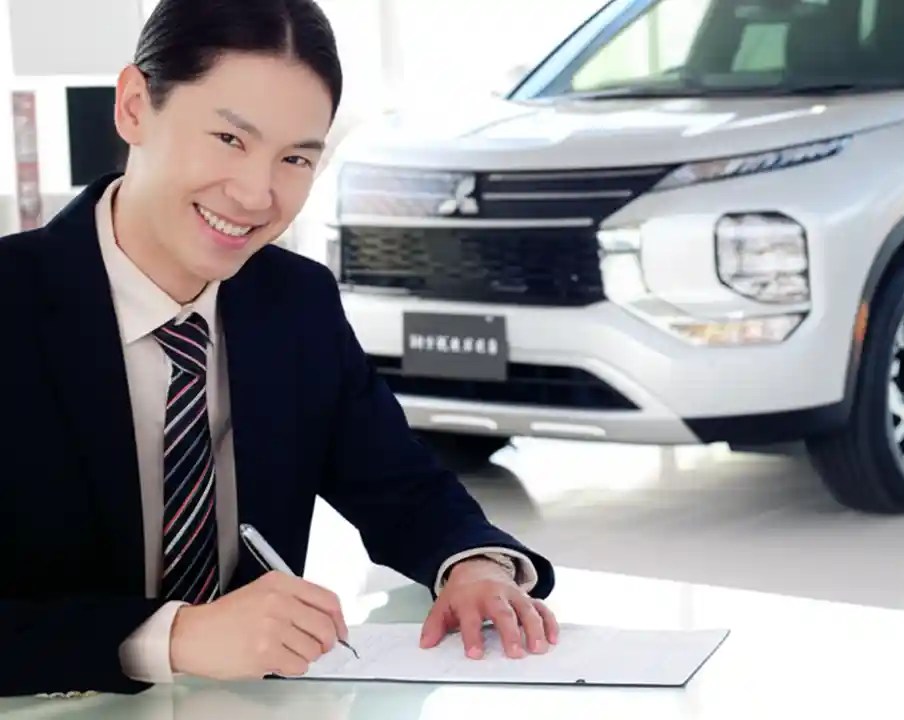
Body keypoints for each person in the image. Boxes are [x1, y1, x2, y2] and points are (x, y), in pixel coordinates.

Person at [0, 0, 557, 699]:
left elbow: (399, 485)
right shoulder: (14, 305)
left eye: (296, 157)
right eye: (230, 140)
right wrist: (173, 636)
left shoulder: (295, 303)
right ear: (135, 106)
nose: (257, 193)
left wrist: (471, 565)